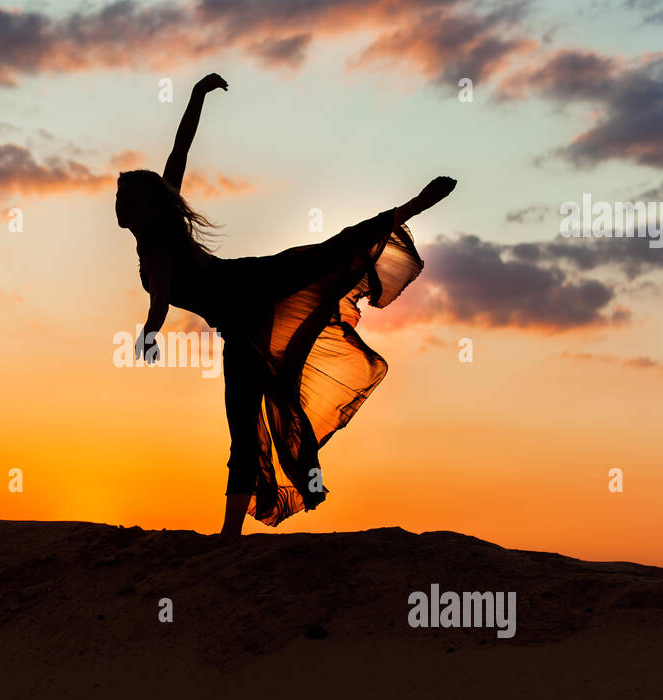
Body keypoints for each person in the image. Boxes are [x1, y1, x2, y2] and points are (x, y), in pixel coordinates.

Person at [116, 72, 456, 536]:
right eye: (118, 196)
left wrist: (150, 333)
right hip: (242, 313)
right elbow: (179, 152)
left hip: (246, 290)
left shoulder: (157, 245)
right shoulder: (157, 232)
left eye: (126, 198)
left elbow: (159, 295)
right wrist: (197, 95)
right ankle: (233, 531)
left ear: (145, 206)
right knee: (247, 419)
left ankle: (412, 206)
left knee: (325, 256)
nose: (118, 204)